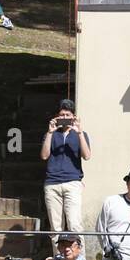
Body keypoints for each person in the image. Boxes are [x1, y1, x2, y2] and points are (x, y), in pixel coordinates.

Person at [42, 100, 90, 239]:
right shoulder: (51, 134)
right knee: (55, 228)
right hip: (52, 183)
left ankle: (79, 259)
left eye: (67, 115)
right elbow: (44, 155)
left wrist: (79, 132)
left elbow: (87, 156)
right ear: (57, 117)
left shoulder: (81, 134)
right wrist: (50, 132)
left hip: (72, 182)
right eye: (61, 115)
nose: (64, 118)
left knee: (75, 224)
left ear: (73, 116)